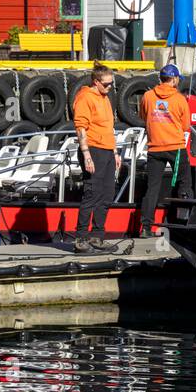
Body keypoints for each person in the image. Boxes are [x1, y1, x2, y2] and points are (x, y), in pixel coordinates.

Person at [71, 64, 121, 253]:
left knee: (106, 195)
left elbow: (109, 128)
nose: (109, 88)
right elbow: (81, 128)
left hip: (107, 150)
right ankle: (81, 238)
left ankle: (97, 236)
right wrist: (87, 155)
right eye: (106, 84)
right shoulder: (85, 97)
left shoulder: (105, 98)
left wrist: (115, 152)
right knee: (91, 194)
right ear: (96, 82)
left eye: (111, 84)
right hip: (92, 150)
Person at [138, 63, 193, 238]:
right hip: (175, 147)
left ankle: (145, 227)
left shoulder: (147, 96)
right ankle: (184, 224)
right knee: (184, 184)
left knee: (152, 188)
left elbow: (143, 116)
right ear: (175, 79)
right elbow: (186, 126)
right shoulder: (179, 99)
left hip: (154, 147)